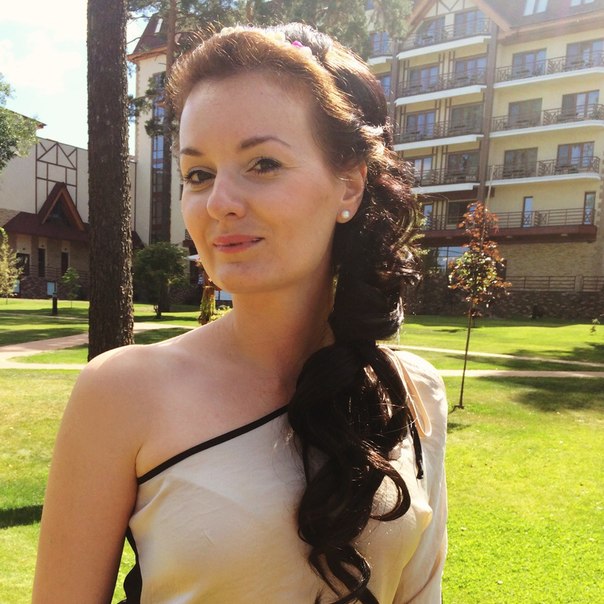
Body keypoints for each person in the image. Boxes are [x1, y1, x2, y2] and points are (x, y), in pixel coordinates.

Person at [33, 23, 447, 604]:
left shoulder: (413, 394)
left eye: (263, 164)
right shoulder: (122, 393)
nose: (220, 203)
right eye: (198, 174)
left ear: (349, 186)